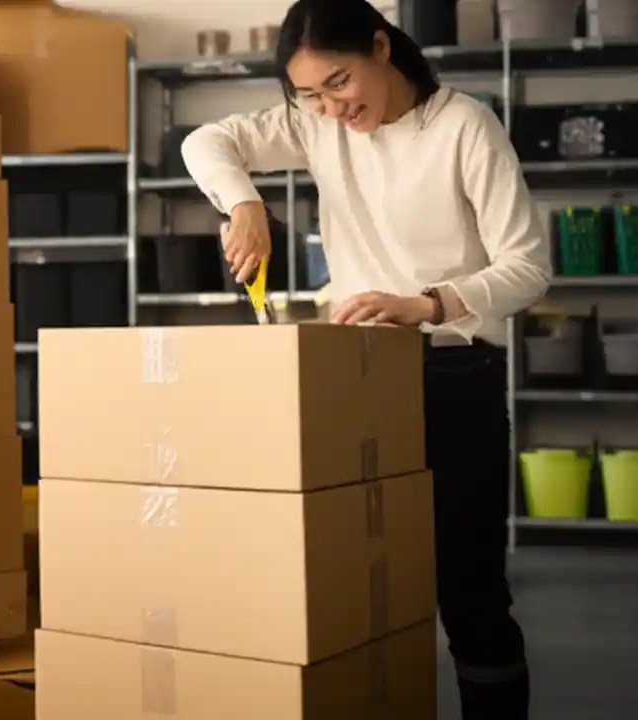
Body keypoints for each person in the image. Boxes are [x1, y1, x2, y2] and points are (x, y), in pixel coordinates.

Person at [181, 0, 550, 718]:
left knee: (469, 590)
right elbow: (206, 141)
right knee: (350, 582)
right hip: (354, 380)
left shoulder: (463, 127)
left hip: (453, 379)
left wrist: (429, 303)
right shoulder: (319, 126)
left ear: (383, 47)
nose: (330, 107)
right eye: (311, 94)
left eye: (339, 82)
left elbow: (529, 267)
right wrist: (244, 203)